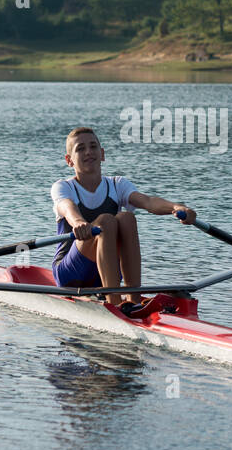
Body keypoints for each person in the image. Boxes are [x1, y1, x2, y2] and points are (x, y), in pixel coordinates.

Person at [51, 126, 196, 314]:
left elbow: (148, 202)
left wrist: (176, 207)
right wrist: (78, 222)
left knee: (126, 217)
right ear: (69, 160)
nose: (88, 152)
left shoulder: (117, 184)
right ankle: (114, 302)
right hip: (70, 275)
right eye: (80, 148)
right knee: (106, 221)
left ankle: (132, 300)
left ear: (102, 154)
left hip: (105, 272)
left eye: (93, 146)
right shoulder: (63, 187)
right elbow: (67, 208)